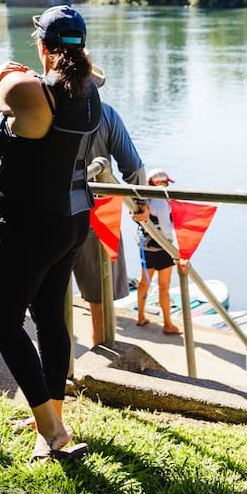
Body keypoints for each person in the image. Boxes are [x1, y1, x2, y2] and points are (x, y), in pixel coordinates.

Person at [0, 5, 101, 463]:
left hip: (28, 223)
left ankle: (52, 432)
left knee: (0, 319)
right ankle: (48, 414)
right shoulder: (89, 93)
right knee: (50, 318)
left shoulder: (29, 90)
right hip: (73, 220)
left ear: (43, 46)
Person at [73, 98, 148, 347]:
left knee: (51, 294)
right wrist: (141, 202)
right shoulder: (105, 113)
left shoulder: (42, 104)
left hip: (53, 207)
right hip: (98, 209)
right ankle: (101, 358)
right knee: (101, 295)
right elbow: (133, 166)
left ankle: (56, 371)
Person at [134, 169, 181, 335]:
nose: (167, 185)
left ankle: (140, 316)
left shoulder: (143, 198)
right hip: (162, 247)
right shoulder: (161, 201)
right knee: (163, 287)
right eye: (166, 182)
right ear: (160, 183)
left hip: (146, 245)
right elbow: (166, 227)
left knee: (144, 282)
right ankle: (168, 324)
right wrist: (172, 245)